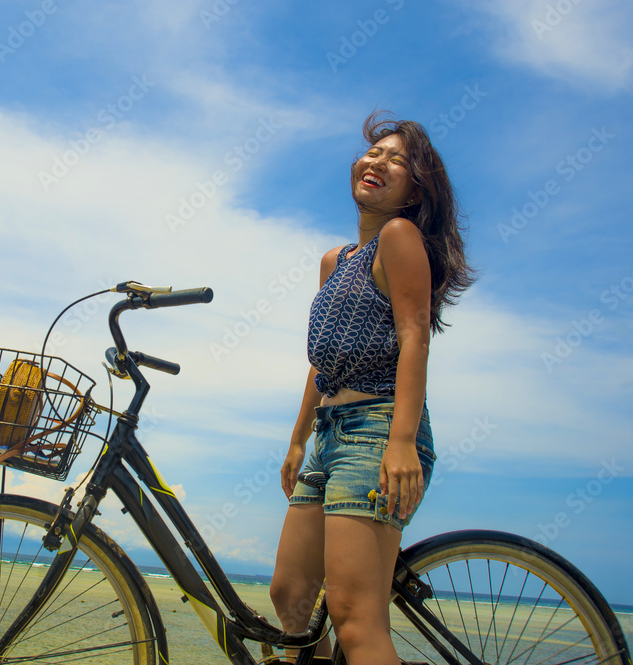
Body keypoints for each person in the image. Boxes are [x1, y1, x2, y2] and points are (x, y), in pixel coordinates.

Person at [269, 112, 474, 664]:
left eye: (398, 160)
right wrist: (297, 440)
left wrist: (401, 441)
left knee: (355, 618)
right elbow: (322, 363)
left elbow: (415, 338)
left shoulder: (399, 237)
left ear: (416, 190)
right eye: (375, 152)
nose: (378, 163)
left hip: (378, 430)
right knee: (289, 598)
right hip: (330, 435)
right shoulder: (335, 261)